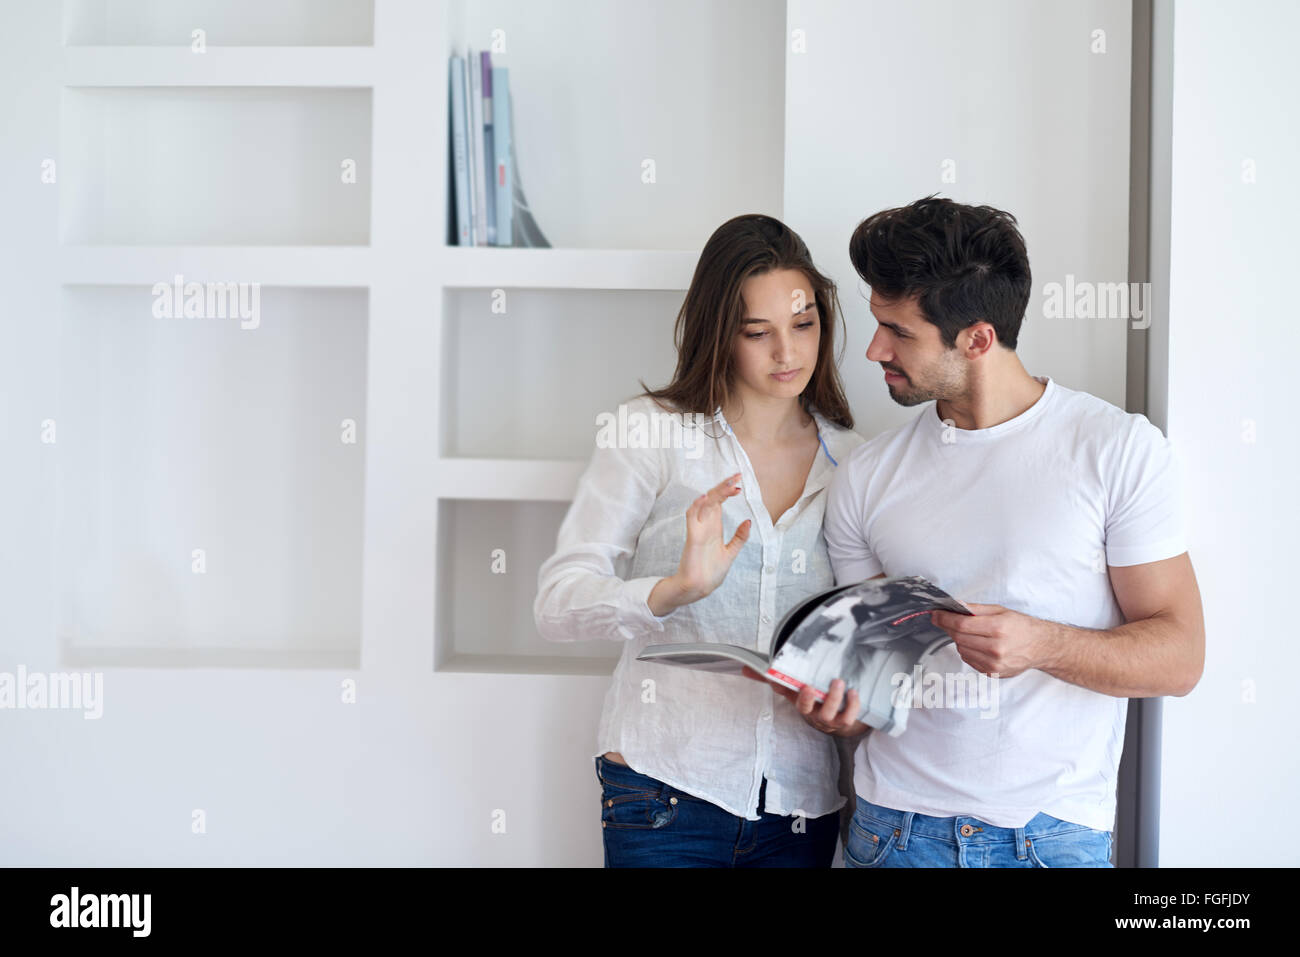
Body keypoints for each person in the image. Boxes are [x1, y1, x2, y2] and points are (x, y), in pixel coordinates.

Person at [777, 196, 1205, 868]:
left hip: (1051, 840)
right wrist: (837, 710)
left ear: (976, 339)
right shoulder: (867, 475)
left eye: (899, 332)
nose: (873, 349)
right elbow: (865, 685)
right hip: (894, 834)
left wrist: (1042, 644)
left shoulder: (1116, 449)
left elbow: (1180, 658)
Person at [534, 213, 866, 867]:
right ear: (721, 331)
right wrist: (673, 590)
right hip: (667, 791)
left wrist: (850, 701)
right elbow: (556, 604)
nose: (788, 353)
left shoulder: (855, 463)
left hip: (799, 806)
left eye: (803, 324)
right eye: (757, 332)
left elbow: (857, 639)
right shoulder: (649, 433)